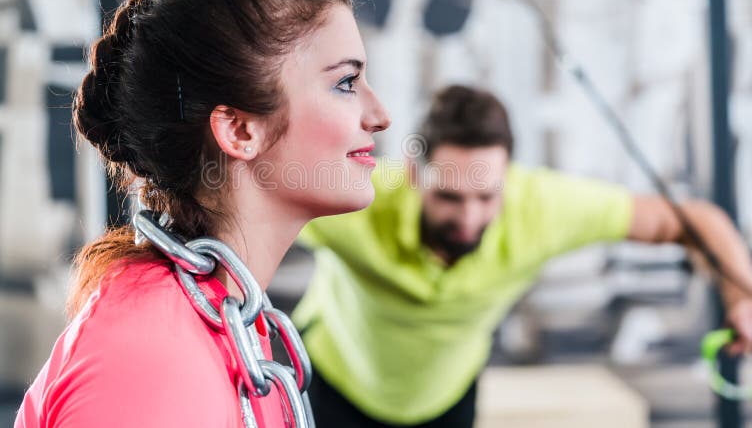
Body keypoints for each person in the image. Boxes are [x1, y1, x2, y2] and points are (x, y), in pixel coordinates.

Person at [15, 0, 390, 427]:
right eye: (346, 82)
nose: (380, 116)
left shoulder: (216, 320)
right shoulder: (155, 357)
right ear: (238, 131)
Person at [294, 84, 752, 428]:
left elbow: (697, 222)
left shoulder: (541, 207)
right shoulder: (355, 201)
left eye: (487, 196)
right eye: (450, 197)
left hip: (445, 400)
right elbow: (243, 201)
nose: (469, 218)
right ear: (414, 174)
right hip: (334, 387)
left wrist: (742, 299)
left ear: (508, 178)